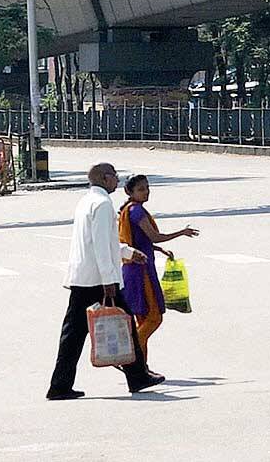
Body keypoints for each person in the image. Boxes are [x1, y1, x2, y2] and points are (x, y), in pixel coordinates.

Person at [47, 163, 165, 400]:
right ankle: (137, 376)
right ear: (105, 178)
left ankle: (60, 385)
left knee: (74, 334)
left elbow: (101, 241)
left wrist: (126, 252)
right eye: (114, 177)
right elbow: (101, 245)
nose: (117, 181)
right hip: (99, 279)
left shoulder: (86, 201)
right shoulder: (101, 204)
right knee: (125, 324)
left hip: (84, 276)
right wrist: (109, 279)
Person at [119, 174, 200, 368]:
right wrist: (181, 232)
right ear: (130, 192)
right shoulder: (137, 211)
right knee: (154, 317)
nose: (146, 192)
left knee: (143, 318)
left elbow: (140, 240)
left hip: (132, 267)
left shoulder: (128, 209)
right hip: (141, 271)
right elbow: (154, 237)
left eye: (147, 188)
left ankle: (141, 368)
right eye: (141, 189)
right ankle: (131, 353)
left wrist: (158, 249)